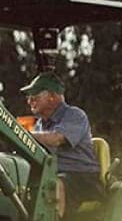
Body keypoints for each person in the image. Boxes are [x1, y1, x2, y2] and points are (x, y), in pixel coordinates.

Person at [20, 72, 103, 209]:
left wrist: (21, 134)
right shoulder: (40, 125)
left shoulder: (75, 115)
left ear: (52, 96)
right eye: (29, 97)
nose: (30, 101)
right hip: (54, 174)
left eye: (35, 96)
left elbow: (56, 139)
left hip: (83, 178)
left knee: (54, 185)